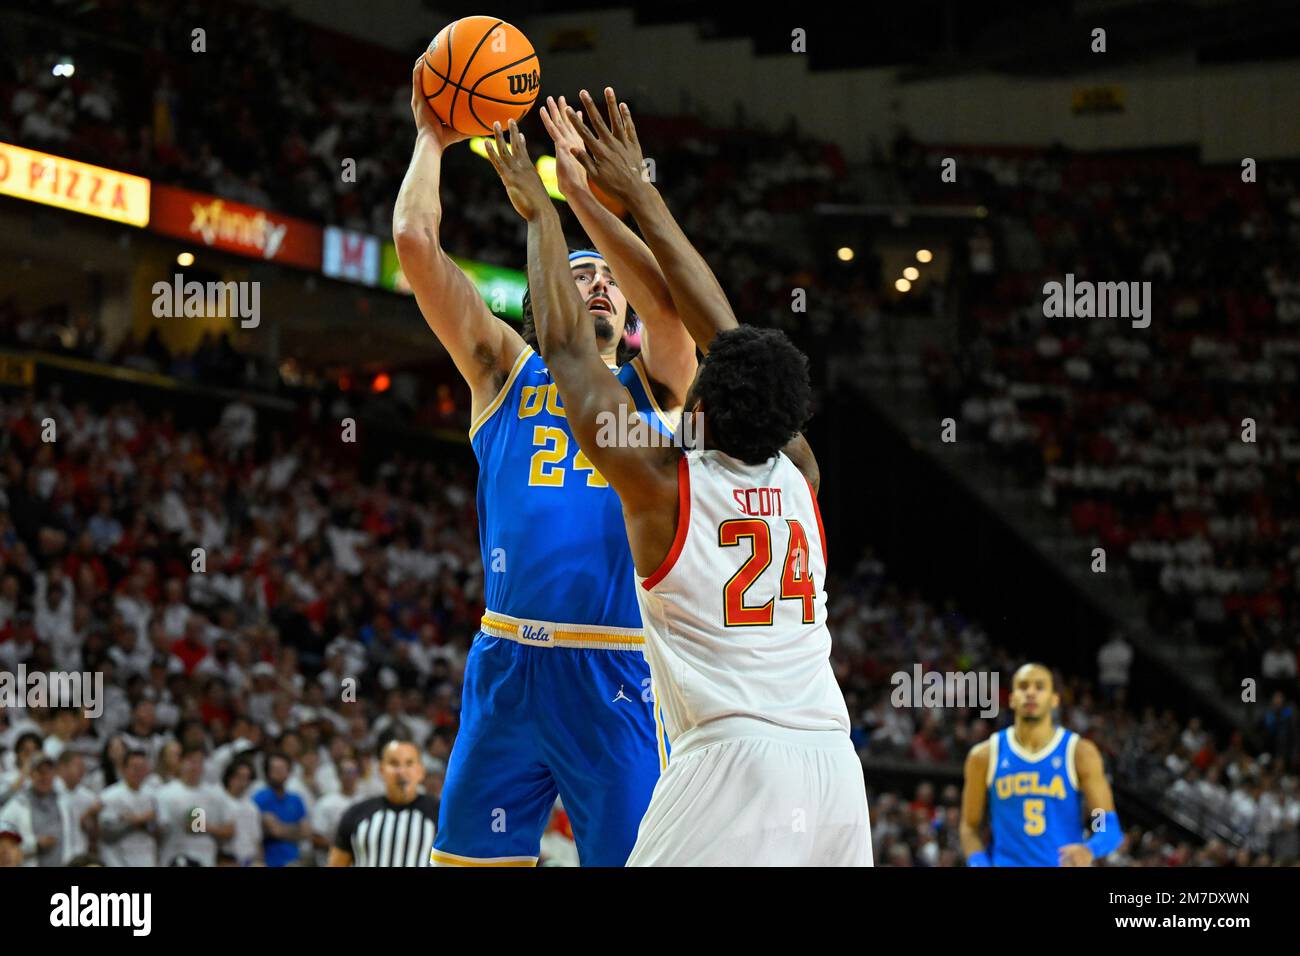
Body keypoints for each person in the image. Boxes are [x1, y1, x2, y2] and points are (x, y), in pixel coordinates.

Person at [482, 89, 868, 865]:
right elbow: (721, 329)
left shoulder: (663, 484)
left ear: (707, 410)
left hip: (729, 763)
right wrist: (627, 197)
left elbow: (564, 349)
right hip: (833, 767)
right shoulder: (799, 468)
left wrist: (543, 213)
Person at [393, 64, 698, 867]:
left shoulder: (656, 388)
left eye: (610, 283)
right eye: (580, 276)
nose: (598, 285)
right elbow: (415, 244)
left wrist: (580, 202)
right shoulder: (502, 370)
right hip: (508, 663)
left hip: (619, 669)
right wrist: (432, 136)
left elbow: (669, 308)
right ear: (542, 295)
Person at [960, 663, 1122, 866]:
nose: (1030, 693)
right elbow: (970, 826)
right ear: (1011, 698)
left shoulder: (1079, 752)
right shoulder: (984, 755)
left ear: (1054, 699)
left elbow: (1103, 820)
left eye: (1039, 687)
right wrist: (979, 863)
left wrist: (1091, 848)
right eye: (1023, 686)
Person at [328, 738, 438, 867]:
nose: (401, 771)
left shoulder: (441, 815)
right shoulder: (356, 814)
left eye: (409, 763)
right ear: (381, 770)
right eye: (394, 764)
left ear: (421, 771)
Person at [97, 750, 159, 867]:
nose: (139, 772)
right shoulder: (110, 795)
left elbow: (156, 829)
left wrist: (144, 822)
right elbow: (107, 833)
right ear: (123, 769)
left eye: (142, 768)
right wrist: (138, 821)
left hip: (146, 857)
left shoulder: (152, 795)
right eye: (135, 768)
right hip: (118, 859)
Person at [253, 751, 309, 867]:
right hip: (270, 861)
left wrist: (281, 828)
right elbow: (275, 831)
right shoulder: (259, 798)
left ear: (289, 771)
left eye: (283, 768)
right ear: (267, 772)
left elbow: (306, 832)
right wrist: (295, 828)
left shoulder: (296, 799)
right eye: (275, 769)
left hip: (295, 860)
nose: (279, 772)